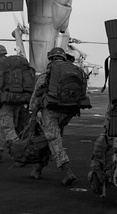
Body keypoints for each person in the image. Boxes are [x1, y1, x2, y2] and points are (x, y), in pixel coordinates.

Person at [28, 46, 80, 185]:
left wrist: (33, 113)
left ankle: (67, 170)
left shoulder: (47, 74)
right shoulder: (72, 71)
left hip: (50, 111)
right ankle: (38, 169)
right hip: (67, 112)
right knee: (50, 139)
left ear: (50, 58)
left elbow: (36, 96)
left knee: (53, 140)